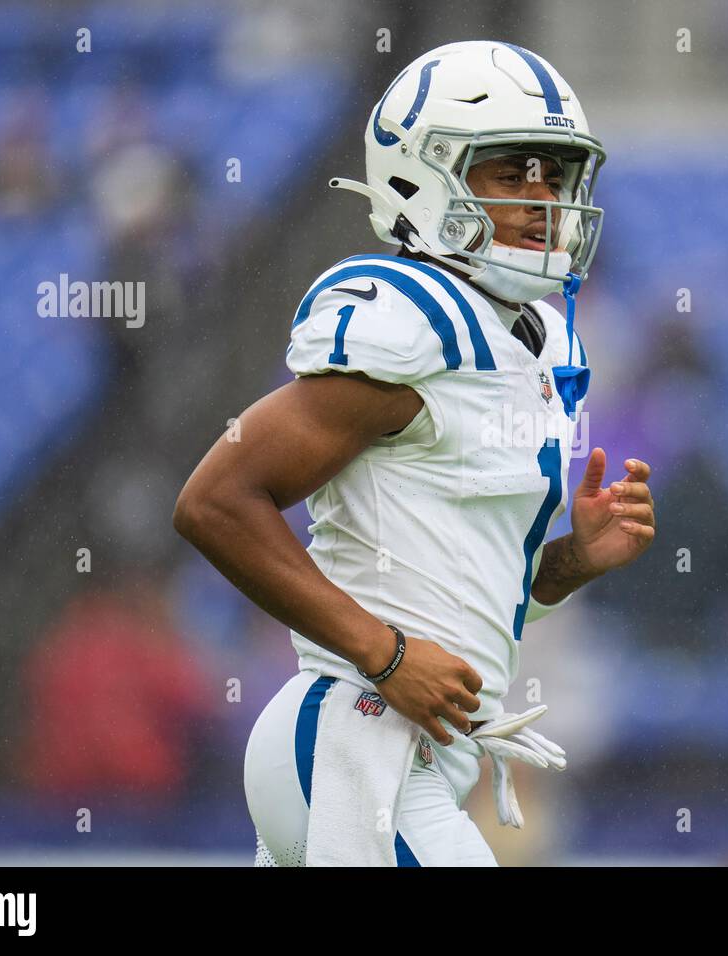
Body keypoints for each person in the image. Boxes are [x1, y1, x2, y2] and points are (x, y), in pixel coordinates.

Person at [174, 40, 656, 866]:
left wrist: (572, 560)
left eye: (555, 174)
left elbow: (455, 592)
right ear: (425, 176)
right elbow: (214, 502)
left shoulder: (531, 340)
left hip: (404, 752)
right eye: (513, 173)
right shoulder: (414, 318)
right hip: (355, 742)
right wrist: (384, 653)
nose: (544, 199)